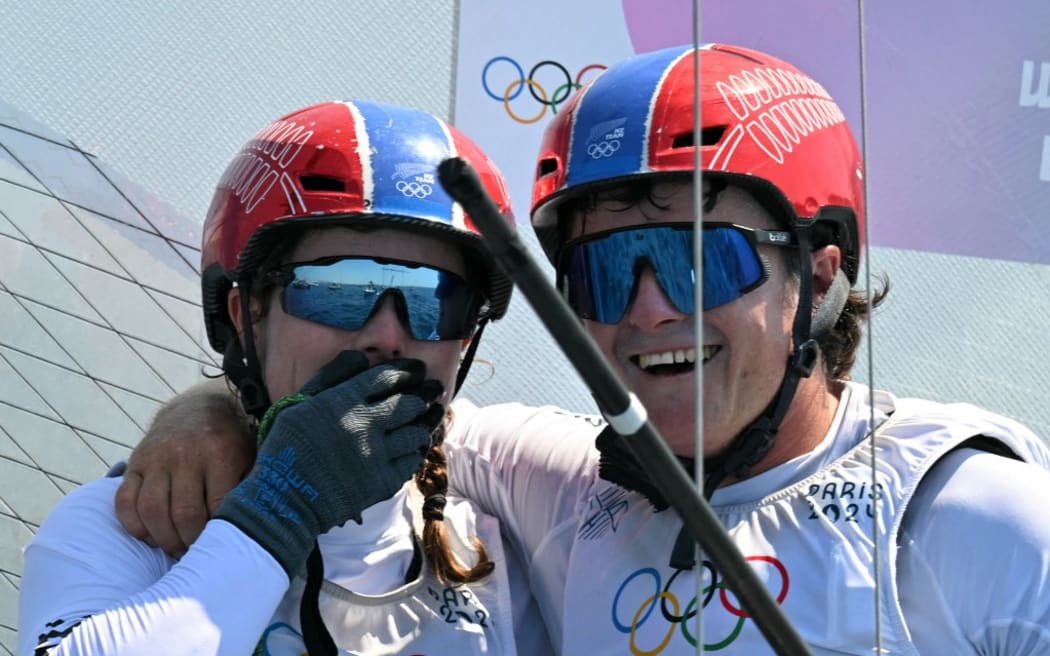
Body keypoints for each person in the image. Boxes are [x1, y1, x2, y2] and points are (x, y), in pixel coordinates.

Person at [109, 45, 1050, 654]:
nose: (645, 312)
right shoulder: (562, 484)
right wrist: (205, 415)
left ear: (821, 275)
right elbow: (359, 401)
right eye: (603, 273)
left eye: (693, 261)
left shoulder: (976, 515)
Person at [18, 99, 548, 655]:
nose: (388, 336)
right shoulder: (134, 521)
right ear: (242, 314)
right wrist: (279, 509)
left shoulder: (515, 542)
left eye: (435, 298)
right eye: (340, 289)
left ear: (466, 338)